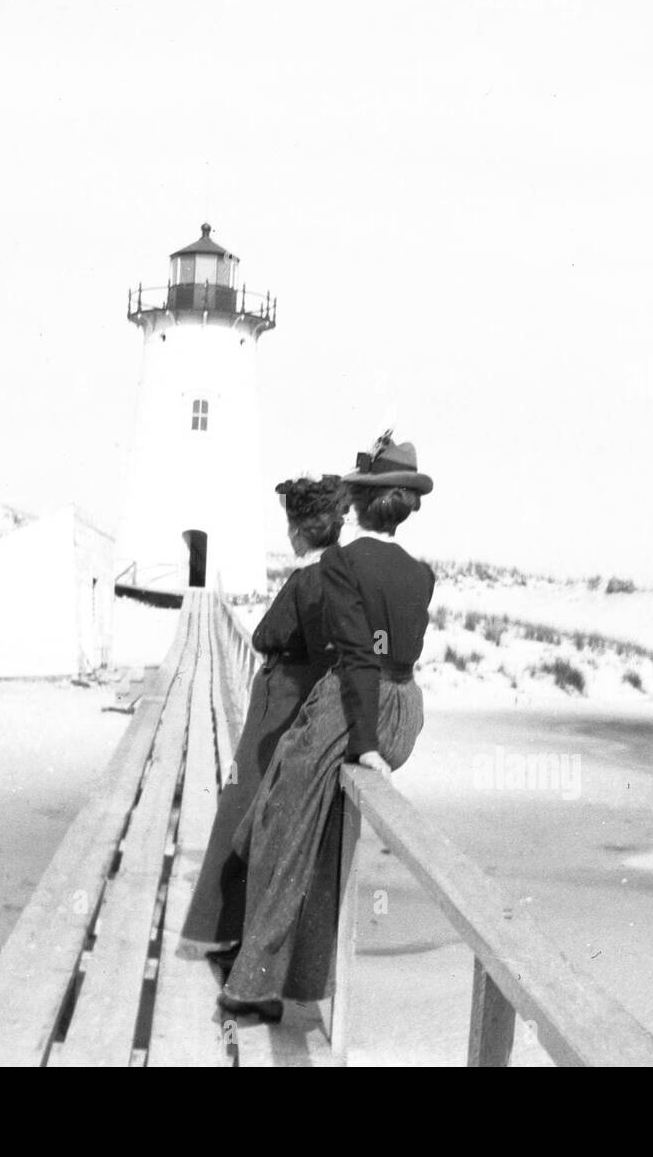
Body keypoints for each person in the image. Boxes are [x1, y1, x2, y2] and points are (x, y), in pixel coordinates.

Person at [218, 433, 436, 1020]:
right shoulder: (422, 573)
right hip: (405, 711)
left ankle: (255, 984)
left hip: (354, 708)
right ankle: (299, 978)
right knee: (303, 822)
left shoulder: (342, 562)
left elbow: (360, 659)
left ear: (357, 505)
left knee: (281, 829)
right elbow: (396, 655)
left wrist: (361, 743)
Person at [181, 474, 349, 958]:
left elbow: (324, 652)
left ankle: (232, 935)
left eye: (291, 525)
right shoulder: (325, 575)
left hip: (282, 707)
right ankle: (234, 933)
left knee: (246, 809)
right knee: (253, 810)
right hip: (279, 701)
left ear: (300, 531)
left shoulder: (314, 579)